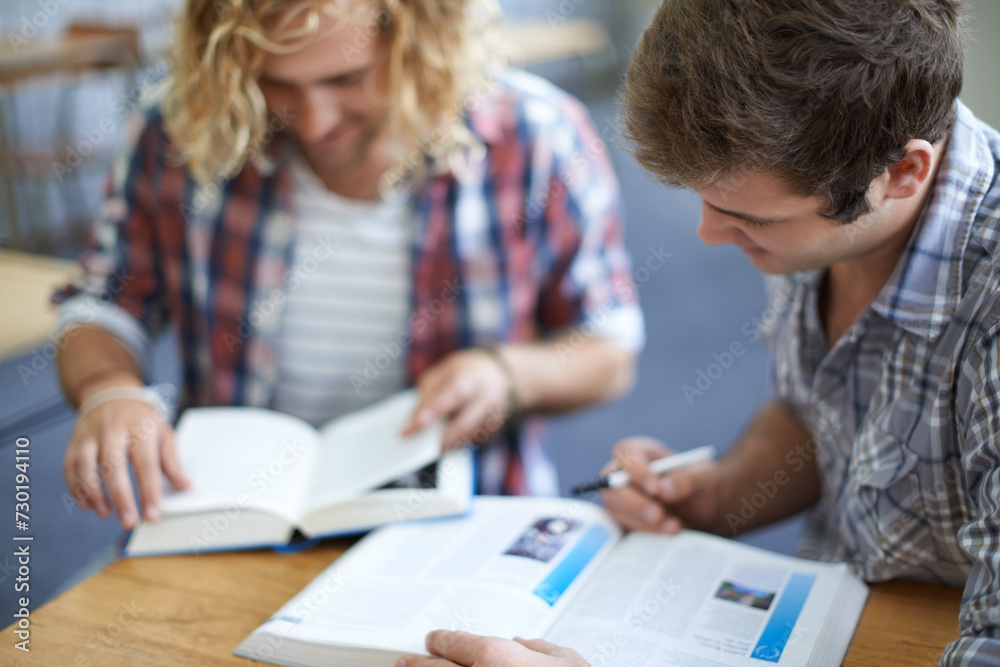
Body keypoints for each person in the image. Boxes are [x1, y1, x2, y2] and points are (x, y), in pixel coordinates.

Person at [398, 0, 1000, 665]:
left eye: (748, 217)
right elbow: (827, 411)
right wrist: (718, 493)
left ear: (901, 173)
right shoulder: (820, 206)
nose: (709, 235)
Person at [55, 0, 643, 532]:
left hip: (466, 523)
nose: (314, 122)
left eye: (347, 78)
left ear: (420, 38)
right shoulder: (178, 125)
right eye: (277, 84)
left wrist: (508, 375)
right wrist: (108, 391)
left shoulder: (537, 136)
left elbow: (608, 351)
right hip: (230, 520)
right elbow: (102, 302)